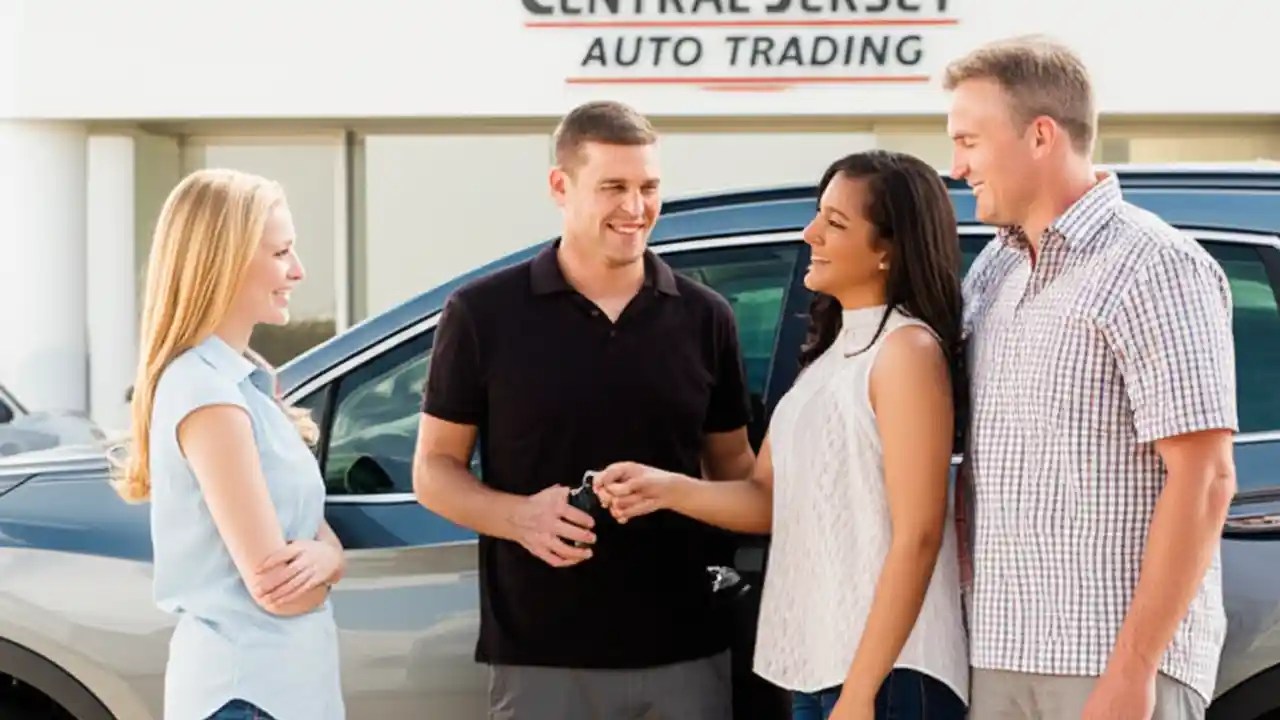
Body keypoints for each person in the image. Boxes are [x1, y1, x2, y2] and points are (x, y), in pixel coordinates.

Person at [592, 149, 970, 720]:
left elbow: (918, 534)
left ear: (888, 249)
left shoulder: (907, 352)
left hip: (891, 676)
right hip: (824, 672)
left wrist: (862, 691)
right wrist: (662, 488)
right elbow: (768, 499)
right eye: (819, 213)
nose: (810, 232)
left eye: (835, 223)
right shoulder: (831, 358)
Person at [412, 100, 756, 720]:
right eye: (614, 187)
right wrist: (518, 517)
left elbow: (736, 471)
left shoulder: (707, 318)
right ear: (560, 187)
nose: (636, 208)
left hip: (687, 653)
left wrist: (674, 490)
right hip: (541, 659)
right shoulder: (483, 314)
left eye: (649, 187)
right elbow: (434, 469)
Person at [945, 36, 1238, 720]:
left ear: (1040, 135)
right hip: (1001, 653)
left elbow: (1205, 476)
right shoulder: (995, 270)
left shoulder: (1156, 266)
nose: (956, 165)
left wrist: (1133, 673)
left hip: (1107, 665)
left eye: (969, 140)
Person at [113, 168, 346, 720]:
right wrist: (331, 564)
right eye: (281, 253)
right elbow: (279, 588)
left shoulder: (244, 385)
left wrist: (327, 559)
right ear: (224, 262)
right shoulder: (207, 394)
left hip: (277, 694)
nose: (297, 270)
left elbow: (315, 536)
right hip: (248, 696)